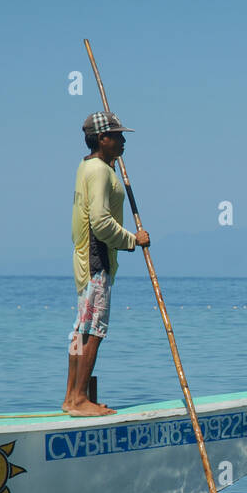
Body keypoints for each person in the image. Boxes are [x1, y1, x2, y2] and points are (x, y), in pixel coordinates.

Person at [62, 111, 151, 417]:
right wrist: (132, 240)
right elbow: (100, 221)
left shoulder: (89, 166)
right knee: (93, 330)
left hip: (85, 259)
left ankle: (72, 397)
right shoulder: (99, 171)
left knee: (81, 330)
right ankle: (78, 400)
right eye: (118, 135)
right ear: (103, 139)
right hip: (97, 259)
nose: (124, 141)